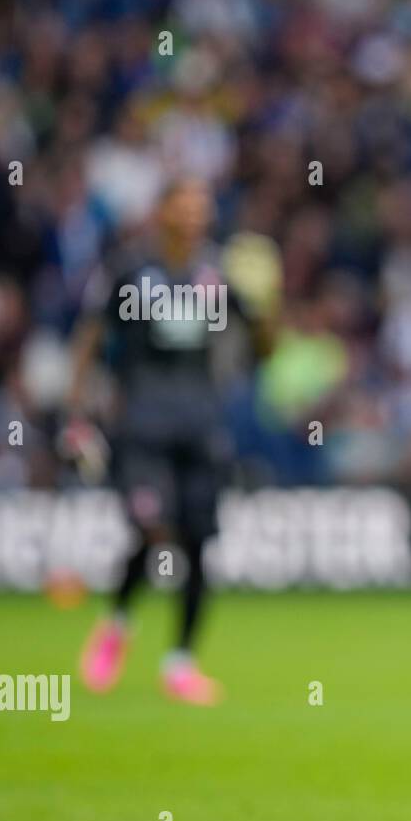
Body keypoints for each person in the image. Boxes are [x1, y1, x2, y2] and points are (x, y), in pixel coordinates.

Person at [66, 177, 267, 705]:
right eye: (186, 205)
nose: (196, 214)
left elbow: (263, 345)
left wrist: (269, 299)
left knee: (199, 542)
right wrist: (76, 414)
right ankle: (118, 625)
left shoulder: (217, 272)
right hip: (143, 426)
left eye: (202, 206)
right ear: (163, 211)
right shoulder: (130, 270)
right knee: (151, 525)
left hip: (202, 426)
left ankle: (180, 663)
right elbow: (89, 337)